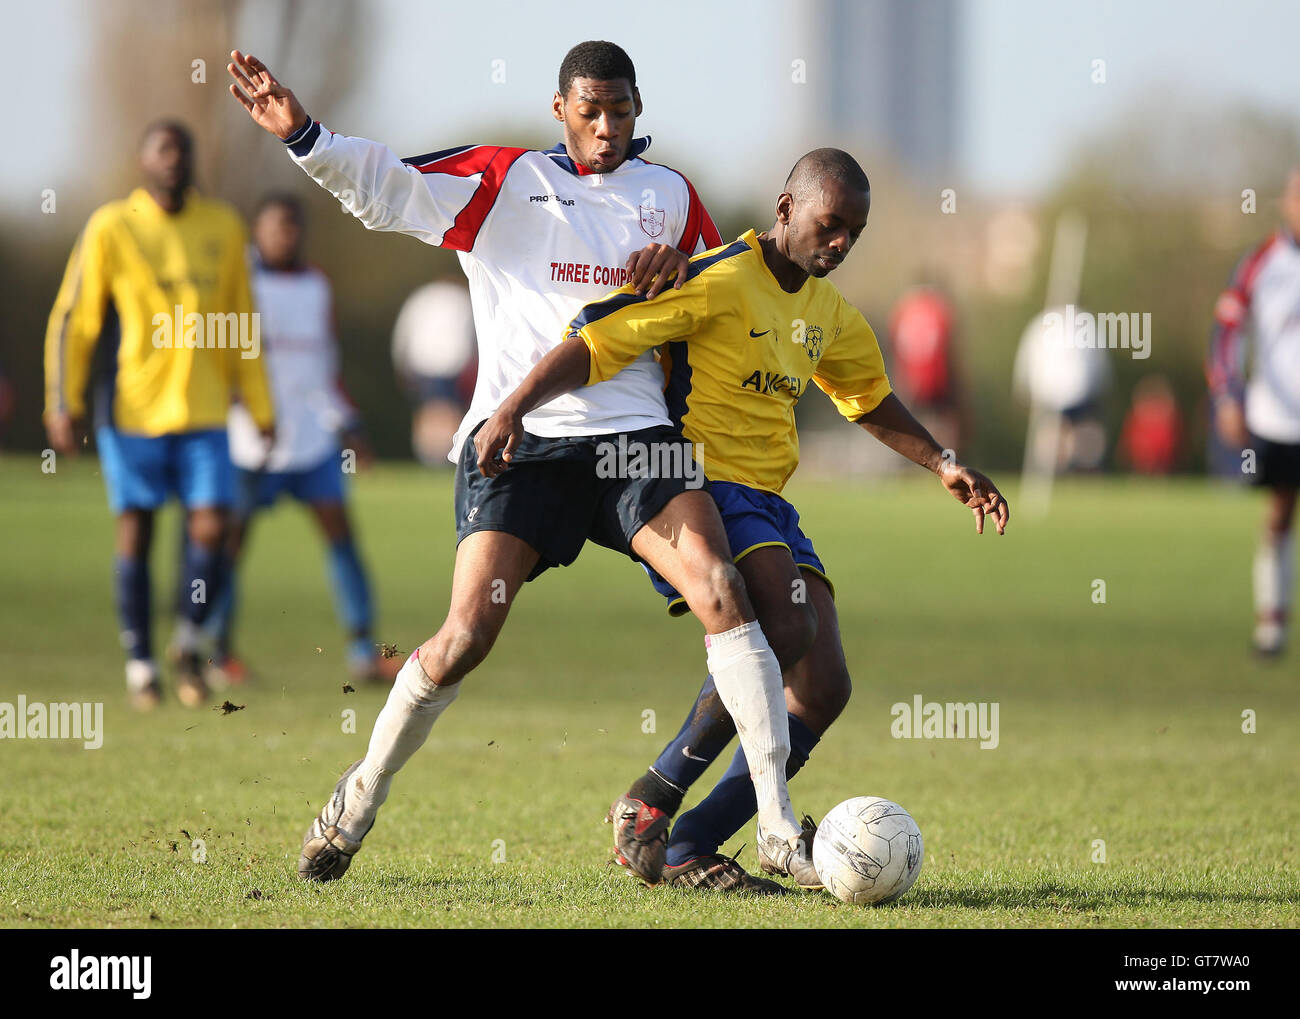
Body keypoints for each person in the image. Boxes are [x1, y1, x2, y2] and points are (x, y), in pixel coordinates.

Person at [227, 41, 811, 883]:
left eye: (620, 110)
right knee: (465, 636)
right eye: (590, 111)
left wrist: (678, 272)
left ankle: (777, 825)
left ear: (638, 107)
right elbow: (390, 188)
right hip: (521, 439)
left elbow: (714, 306)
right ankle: (357, 799)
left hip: (633, 441)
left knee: (723, 589)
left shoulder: (673, 197)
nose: (606, 128)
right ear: (559, 110)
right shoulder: (505, 180)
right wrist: (307, 136)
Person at [476, 148, 1010, 892]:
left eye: (855, 233)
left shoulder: (830, 315)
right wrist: (511, 407)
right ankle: (673, 805)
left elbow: (867, 400)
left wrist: (944, 461)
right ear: (786, 209)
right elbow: (598, 335)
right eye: (831, 225)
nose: (841, 245)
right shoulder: (720, 279)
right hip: (702, 487)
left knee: (824, 686)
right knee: (785, 629)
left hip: (774, 503)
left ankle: (689, 836)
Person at [43, 121, 274, 710]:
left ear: (193, 160)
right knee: (137, 534)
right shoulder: (112, 227)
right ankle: (141, 664)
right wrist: (61, 400)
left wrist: (262, 405)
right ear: (144, 160)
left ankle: (189, 640)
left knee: (213, 529)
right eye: (163, 149)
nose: (174, 159)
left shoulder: (222, 226)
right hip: (132, 413)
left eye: (183, 149)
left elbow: (243, 324)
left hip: (204, 414)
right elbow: (76, 319)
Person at [202, 192, 396, 686]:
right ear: (256, 231)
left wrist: (350, 424)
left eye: (292, 226)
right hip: (251, 443)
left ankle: (363, 652)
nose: (284, 235)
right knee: (229, 545)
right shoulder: (238, 282)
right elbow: (220, 358)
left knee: (342, 538)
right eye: (274, 226)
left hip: (311, 439)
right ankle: (216, 653)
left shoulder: (316, 285)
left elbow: (324, 364)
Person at [1208, 166, 1300, 657]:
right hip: (1279, 419)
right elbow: (1226, 332)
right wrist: (1227, 396)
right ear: (1287, 202)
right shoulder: (1262, 261)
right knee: (1280, 513)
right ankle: (1272, 624)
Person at [392, 276, 477, 466]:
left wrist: (401, 363)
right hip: (454, 361)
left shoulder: (421, 297)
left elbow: (404, 331)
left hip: (422, 361)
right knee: (448, 410)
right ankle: (444, 455)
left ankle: (432, 454)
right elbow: (473, 335)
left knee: (430, 410)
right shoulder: (462, 297)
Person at [887, 280, 968, 454]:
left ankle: (916, 462)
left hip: (910, 380)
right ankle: (947, 464)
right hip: (937, 378)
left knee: (911, 424)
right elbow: (949, 347)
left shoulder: (904, 310)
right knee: (945, 423)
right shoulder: (939, 310)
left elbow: (895, 345)